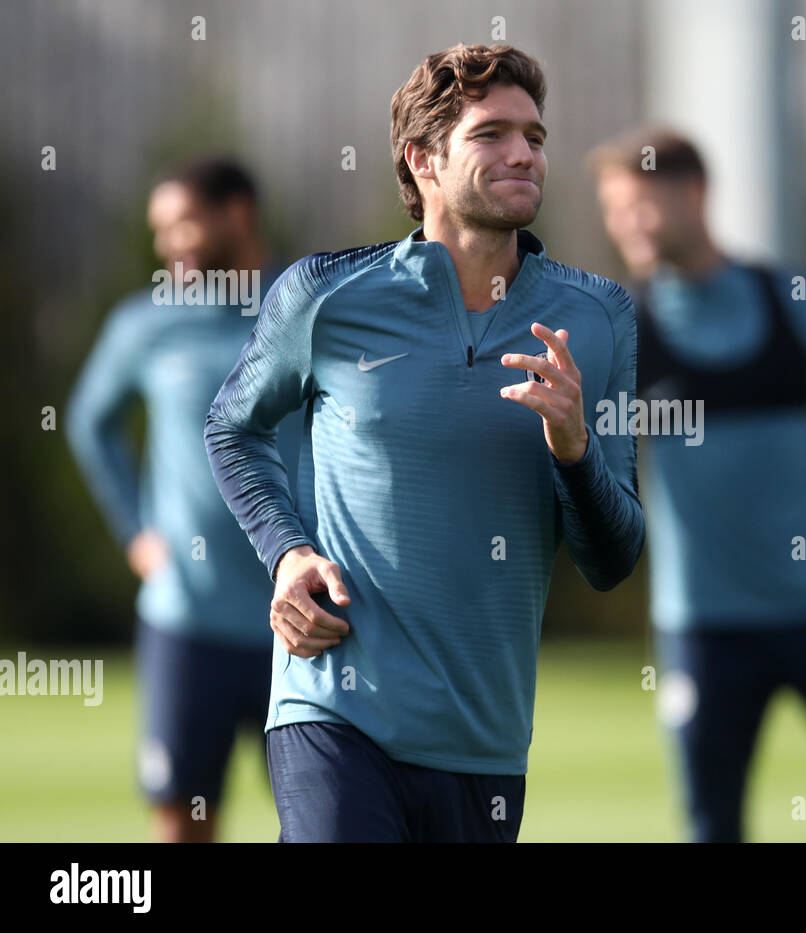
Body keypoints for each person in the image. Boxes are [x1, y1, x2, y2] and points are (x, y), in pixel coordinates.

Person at [204, 44, 644, 843]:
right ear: (423, 159)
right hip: (332, 710)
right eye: (492, 135)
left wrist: (575, 452)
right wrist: (288, 553)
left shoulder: (601, 314)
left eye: (536, 138)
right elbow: (233, 428)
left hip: (486, 746)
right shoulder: (325, 296)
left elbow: (613, 559)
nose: (524, 154)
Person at [589, 128, 806, 843]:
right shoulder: (623, 331)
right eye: (614, 210)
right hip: (702, 630)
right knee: (711, 828)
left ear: (694, 194)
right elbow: (593, 475)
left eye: (640, 205)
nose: (624, 224)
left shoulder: (796, 301)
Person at [67, 158, 301, 842]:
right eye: (160, 229)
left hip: (300, 620)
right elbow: (89, 424)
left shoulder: (311, 305)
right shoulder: (145, 324)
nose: (171, 243)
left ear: (239, 214)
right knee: (183, 820)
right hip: (185, 620)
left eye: (184, 223)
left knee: (328, 818)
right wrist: (136, 531)